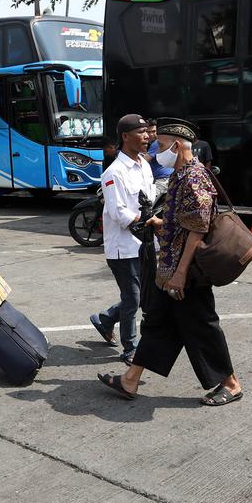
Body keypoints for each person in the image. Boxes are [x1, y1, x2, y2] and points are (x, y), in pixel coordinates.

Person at [96, 117, 243, 406]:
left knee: (201, 323)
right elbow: (180, 221)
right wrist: (161, 224)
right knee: (158, 321)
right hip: (170, 264)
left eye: (161, 145)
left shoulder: (193, 177)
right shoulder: (179, 174)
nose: (156, 150)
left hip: (187, 270)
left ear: (176, 146)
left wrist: (181, 272)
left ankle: (231, 383)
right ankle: (131, 379)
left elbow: (198, 229)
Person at [90, 114, 153, 365]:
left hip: (144, 243)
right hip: (122, 247)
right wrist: (147, 221)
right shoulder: (113, 173)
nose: (147, 136)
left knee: (139, 296)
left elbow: (148, 200)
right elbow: (118, 213)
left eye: (147, 132)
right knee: (133, 298)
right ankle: (130, 348)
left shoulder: (144, 165)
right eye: (141, 132)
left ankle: (105, 319)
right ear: (125, 136)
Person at [145, 119, 174, 197]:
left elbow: (144, 161)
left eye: (154, 131)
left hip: (163, 179)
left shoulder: (156, 143)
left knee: (150, 202)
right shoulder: (151, 144)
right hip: (164, 178)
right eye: (148, 132)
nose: (151, 134)